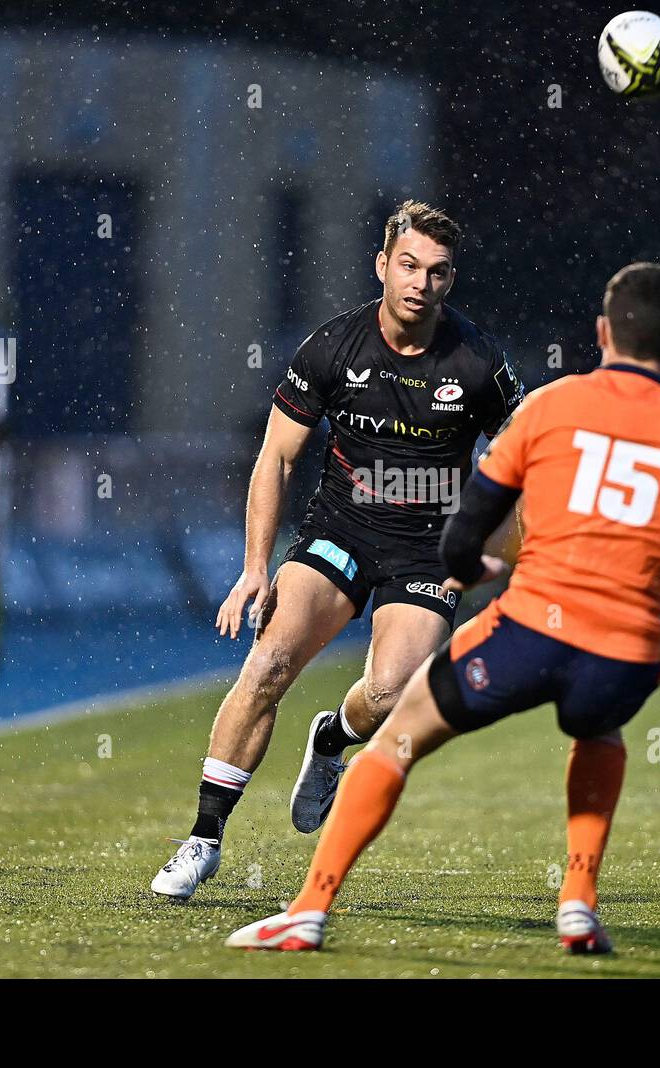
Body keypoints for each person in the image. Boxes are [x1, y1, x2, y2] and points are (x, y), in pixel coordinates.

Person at [225, 262, 660, 953]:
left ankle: (308, 909)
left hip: (528, 631)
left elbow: (467, 527)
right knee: (599, 733)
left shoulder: (554, 405)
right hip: (622, 652)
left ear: (601, 333)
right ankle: (578, 903)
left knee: (400, 735)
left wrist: (469, 572)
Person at [151, 201, 524, 899]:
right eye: (408, 265)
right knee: (268, 663)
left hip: (429, 550)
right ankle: (202, 840)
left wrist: (487, 561)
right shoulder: (332, 347)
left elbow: (523, 471)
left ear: (451, 282)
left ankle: (332, 742)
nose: (420, 282)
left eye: (437, 272)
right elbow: (276, 459)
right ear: (382, 265)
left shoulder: (480, 363)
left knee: (390, 694)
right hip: (338, 533)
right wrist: (256, 568)